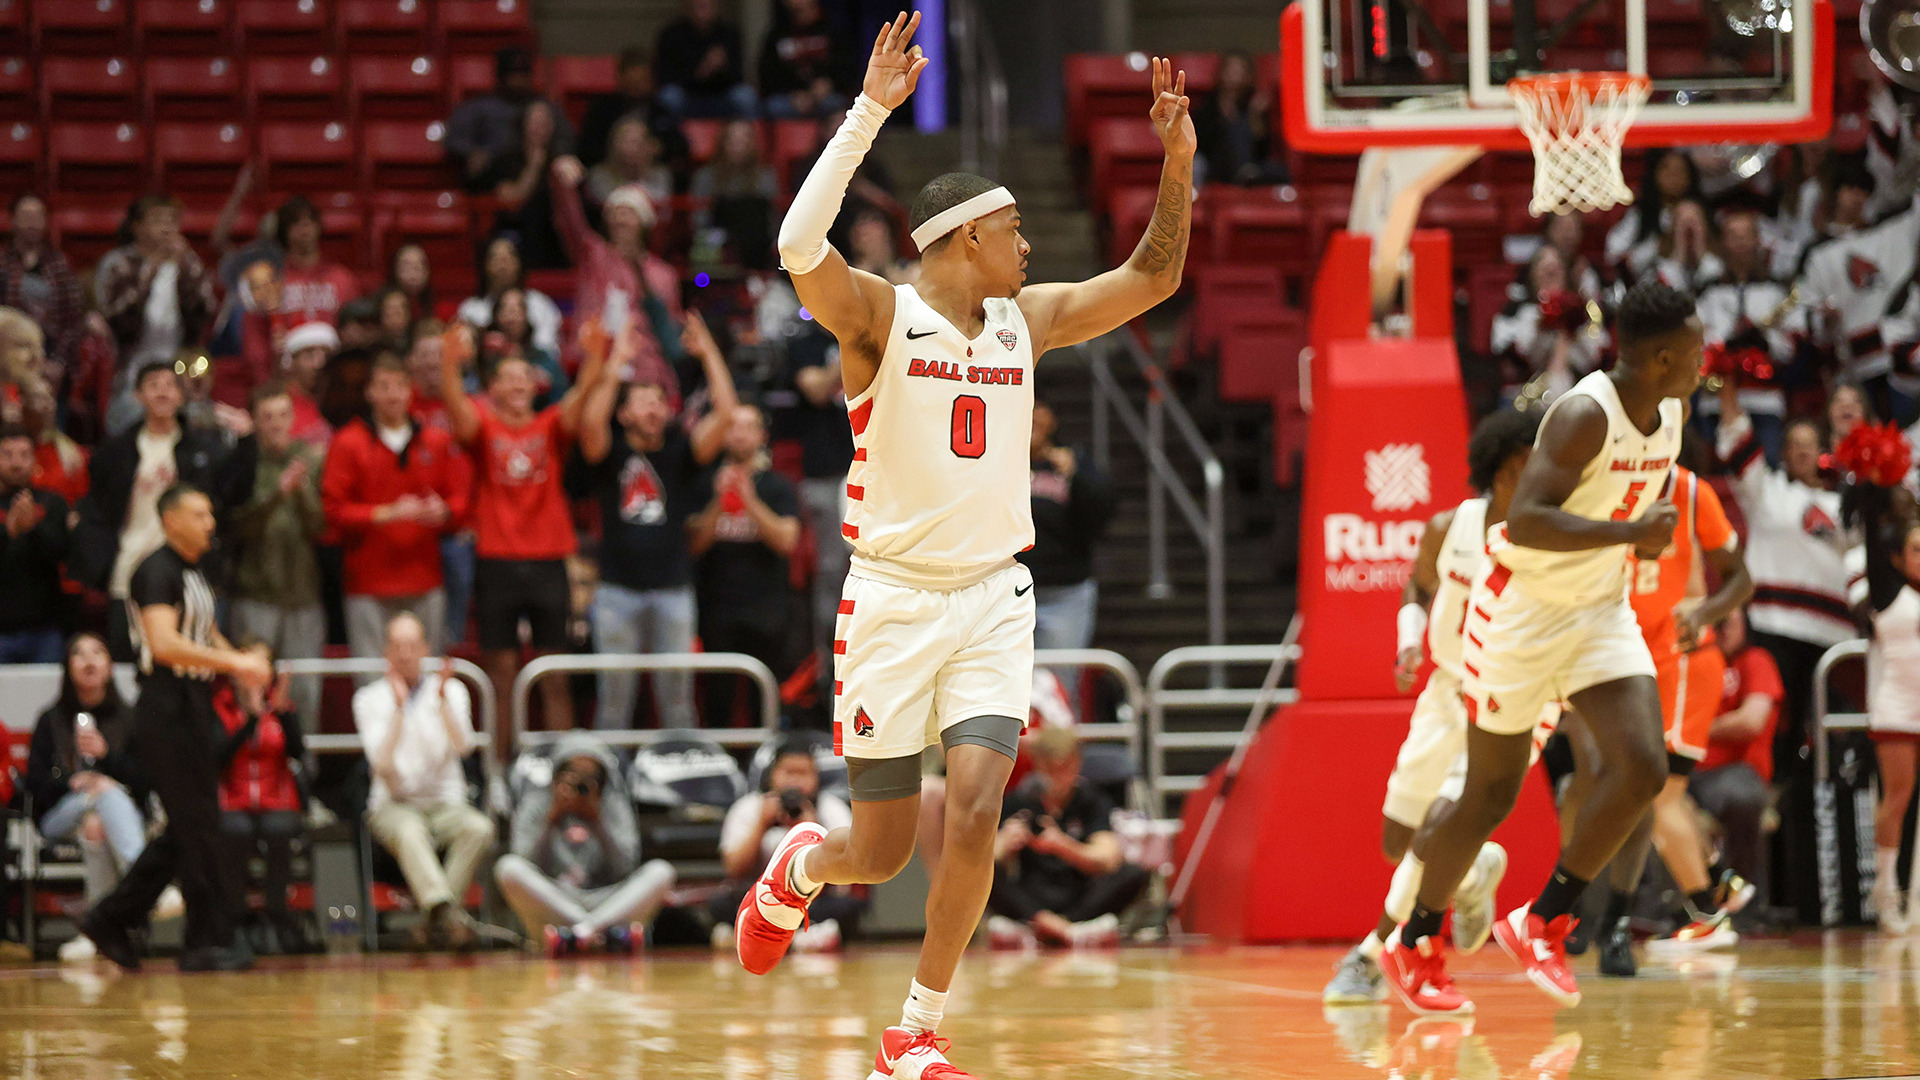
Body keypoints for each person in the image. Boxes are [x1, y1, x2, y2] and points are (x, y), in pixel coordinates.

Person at [736, 22, 1193, 1077]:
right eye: (1016, 230)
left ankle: (917, 1029)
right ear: (962, 239)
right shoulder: (880, 320)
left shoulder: (1023, 323)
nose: (1031, 248)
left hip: (993, 598)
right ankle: (804, 865)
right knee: (881, 850)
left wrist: (1177, 167)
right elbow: (800, 247)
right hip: (891, 602)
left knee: (980, 807)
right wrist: (868, 114)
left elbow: (1154, 277)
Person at [1380, 280, 1699, 1013]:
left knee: (1643, 766)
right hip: (1519, 614)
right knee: (1489, 794)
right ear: (1656, 357)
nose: (1702, 360)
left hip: (1598, 609)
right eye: (1693, 351)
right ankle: (1417, 938)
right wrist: (1628, 535)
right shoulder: (1585, 414)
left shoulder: (1671, 412)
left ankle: (1545, 919)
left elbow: (1639, 505)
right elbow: (1524, 522)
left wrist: (1639, 545)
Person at [1323, 409, 1546, 1006]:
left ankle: (1370, 955)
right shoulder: (1451, 526)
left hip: (1508, 698)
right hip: (1446, 688)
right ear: (1505, 469)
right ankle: (1472, 877)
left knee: (1445, 821)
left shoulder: (1549, 539)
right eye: (1534, 462)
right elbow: (1419, 586)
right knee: (1400, 839)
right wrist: (1407, 642)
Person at [80, 484, 275, 972]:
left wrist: (240, 667)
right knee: (196, 823)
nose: (211, 522)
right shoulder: (154, 570)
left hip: (193, 701)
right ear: (171, 520)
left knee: (191, 824)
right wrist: (235, 660)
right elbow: (165, 644)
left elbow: (202, 631)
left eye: (211, 513)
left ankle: (111, 918)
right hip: (165, 703)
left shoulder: (193, 571)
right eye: (200, 513)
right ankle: (205, 941)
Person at [1714, 381, 1854, 918]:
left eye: (1807, 442)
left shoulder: (1847, 502)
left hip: (1832, 643)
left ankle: (1808, 874)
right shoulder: (1767, 490)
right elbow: (1736, 438)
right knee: (1771, 743)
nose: (1799, 450)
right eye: (1791, 443)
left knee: (1815, 753)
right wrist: (1728, 387)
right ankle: (1757, 875)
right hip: (1773, 624)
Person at [441, 322, 611, 743]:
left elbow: (578, 399)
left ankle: (560, 766)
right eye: (507, 377)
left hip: (548, 561)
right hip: (496, 561)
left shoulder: (551, 426)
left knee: (554, 675)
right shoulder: (483, 427)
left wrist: (594, 357)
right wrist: (448, 363)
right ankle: (500, 773)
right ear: (492, 388)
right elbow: (457, 413)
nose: (518, 384)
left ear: (536, 385)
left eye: (524, 376)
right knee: (500, 676)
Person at [1615, 464, 1754, 959]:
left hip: (1683, 658)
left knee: (1657, 798)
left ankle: (1706, 915)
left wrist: (1703, 612)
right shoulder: (1599, 480)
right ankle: (1721, 881)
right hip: (1645, 664)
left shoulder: (1689, 490)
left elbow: (1741, 580)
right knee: (1656, 791)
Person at [574, 315, 736, 729]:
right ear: (624, 412)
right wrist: (617, 362)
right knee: (614, 701)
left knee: (678, 702)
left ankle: (678, 785)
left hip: (673, 589)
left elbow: (727, 413)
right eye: (643, 400)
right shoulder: (609, 453)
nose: (653, 408)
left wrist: (708, 353)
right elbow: (590, 422)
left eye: (659, 401)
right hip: (616, 591)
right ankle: (609, 787)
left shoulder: (680, 451)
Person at [24, 632, 175, 963]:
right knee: (101, 793)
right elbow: (36, 785)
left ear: (109, 666)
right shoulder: (50, 721)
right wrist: (75, 782)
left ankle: (95, 932)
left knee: (96, 826)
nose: (89, 660)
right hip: (60, 817)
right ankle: (147, 885)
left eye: (98, 652)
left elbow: (147, 782)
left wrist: (107, 758)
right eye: (79, 654)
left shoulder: (130, 719)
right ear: (68, 667)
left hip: (118, 818)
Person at [73, 362, 237, 662]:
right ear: (137, 395)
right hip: (128, 569)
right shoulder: (116, 451)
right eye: (153, 384)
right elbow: (97, 511)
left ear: (182, 395)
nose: (162, 391)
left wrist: (248, 441)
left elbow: (230, 502)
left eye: (170, 384)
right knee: (127, 663)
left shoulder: (205, 450)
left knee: (193, 663)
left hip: (189, 572)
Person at [352, 612, 494, 949]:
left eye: (412, 645)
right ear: (386, 651)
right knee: (410, 831)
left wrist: (443, 703)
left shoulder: (452, 691)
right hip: (394, 805)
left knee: (480, 828)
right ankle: (448, 916)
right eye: (397, 646)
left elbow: (463, 748)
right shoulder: (369, 698)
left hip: (446, 803)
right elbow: (380, 764)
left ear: (425, 649)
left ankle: (431, 918)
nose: (405, 654)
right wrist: (399, 711)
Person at [323, 355, 468, 658]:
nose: (392, 394)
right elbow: (333, 510)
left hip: (425, 578)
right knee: (372, 682)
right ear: (369, 393)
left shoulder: (436, 441)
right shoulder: (348, 442)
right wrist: (386, 513)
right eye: (384, 386)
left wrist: (444, 511)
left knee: (427, 679)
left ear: (410, 391)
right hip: (367, 582)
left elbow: (461, 501)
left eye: (400, 386)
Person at [494, 732, 677, 955]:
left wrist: (598, 822)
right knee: (508, 868)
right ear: (556, 773)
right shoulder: (537, 801)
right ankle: (599, 934)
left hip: (608, 900)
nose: (581, 784)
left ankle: (579, 933)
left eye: (591, 777)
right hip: (556, 898)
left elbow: (625, 867)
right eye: (572, 774)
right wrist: (551, 819)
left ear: (604, 777)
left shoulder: (613, 804)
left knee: (661, 871)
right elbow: (526, 861)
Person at [984, 726, 1148, 949]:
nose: (1058, 777)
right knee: (982, 875)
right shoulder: (1018, 801)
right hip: (1032, 898)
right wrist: (1005, 842)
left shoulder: (1092, 801)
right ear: (1037, 764)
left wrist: (1063, 846)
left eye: (1065, 768)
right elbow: (986, 858)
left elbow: (1108, 859)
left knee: (1134, 873)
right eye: (1050, 769)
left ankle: (1050, 929)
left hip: (1079, 898)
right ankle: (1063, 930)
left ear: (1077, 763)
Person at [690, 403, 799, 724]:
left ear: (762, 436)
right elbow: (694, 544)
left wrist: (748, 498)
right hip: (716, 608)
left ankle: (765, 766)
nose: (739, 433)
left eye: (748, 426)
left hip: (767, 611)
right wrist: (718, 501)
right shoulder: (702, 481)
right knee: (717, 700)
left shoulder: (777, 486)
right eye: (733, 426)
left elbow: (787, 540)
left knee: (763, 702)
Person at [227, 382, 328, 725]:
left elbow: (320, 526)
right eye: (267, 416)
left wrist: (300, 491)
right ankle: (248, 768)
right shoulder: (243, 462)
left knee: (304, 691)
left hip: (303, 593)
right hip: (254, 592)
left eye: (283, 415)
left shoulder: (312, 461)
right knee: (250, 688)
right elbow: (238, 528)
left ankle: (303, 772)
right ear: (255, 421)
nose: (276, 424)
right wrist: (277, 496)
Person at [549, 157, 685, 392]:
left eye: (628, 213)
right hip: (596, 366)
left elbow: (669, 328)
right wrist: (564, 187)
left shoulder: (663, 274)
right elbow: (569, 222)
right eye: (615, 212)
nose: (621, 219)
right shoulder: (593, 256)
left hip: (645, 371)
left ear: (643, 222)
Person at [711, 738, 858, 953]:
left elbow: (843, 880)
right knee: (720, 903)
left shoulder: (831, 809)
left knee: (848, 907)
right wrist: (761, 825)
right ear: (772, 774)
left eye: (803, 774)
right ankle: (801, 936)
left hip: (811, 903)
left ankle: (754, 935)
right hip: (761, 899)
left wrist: (811, 826)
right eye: (789, 772)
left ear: (816, 778)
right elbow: (734, 871)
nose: (795, 782)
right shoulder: (748, 808)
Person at [213, 639, 311, 955]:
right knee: (235, 832)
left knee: (280, 830)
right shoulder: (221, 706)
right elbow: (217, 759)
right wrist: (251, 721)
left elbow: (298, 753)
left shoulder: (281, 706)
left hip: (276, 798)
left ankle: (277, 914)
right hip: (233, 798)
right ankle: (235, 918)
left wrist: (282, 715)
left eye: (262, 665)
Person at [94, 196, 217, 435]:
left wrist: (187, 270)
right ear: (136, 226)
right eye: (157, 220)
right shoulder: (119, 263)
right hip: (130, 364)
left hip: (179, 364)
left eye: (172, 221)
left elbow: (206, 311)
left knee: (202, 423)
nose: (166, 228)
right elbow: (117, 319)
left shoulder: (187, 262)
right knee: (127, 421)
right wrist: (150, 272)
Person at [1692, 606, 1780, 929]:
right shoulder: (1694, 663)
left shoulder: (1756, 661)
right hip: (1686, 771)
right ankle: (1659, 911)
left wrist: (1693, 727)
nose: (1722, 626)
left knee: (1741, 795)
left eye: (1729, 618)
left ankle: (1743, 905)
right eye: (1715, 621)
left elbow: (1751, 721)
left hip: (1736, 771)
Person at [1693, 209, 1796, 463]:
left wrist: (1764, 341)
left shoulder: (1774, 291)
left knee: (1768, 471)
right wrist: (1727, 342)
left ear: (1758, 241)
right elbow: (1698, 346)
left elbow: (1789, 349)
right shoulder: (1708, 294)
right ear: (1722, 244)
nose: (1740, 243)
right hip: (1717, 402)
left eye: (1746, 236)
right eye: (1733, 236)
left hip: (1765, 401)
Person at [1861, 511, 1920, 931]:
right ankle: (1884, 890)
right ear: (1897, 557)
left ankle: (1915, 897)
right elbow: (1871, 540)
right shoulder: (1887, 592)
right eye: (1916, 549)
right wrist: (1874, 494)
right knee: (1897, 798)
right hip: (1899, 708)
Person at [1020, 400, 1115, 655]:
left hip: (1065, 592)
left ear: (1051, 419)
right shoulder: (995, 461)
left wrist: (1075, 475)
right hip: (1008, 590)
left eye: (1038, 410)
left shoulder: (1075, 460)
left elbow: (1102, 514)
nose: (1032, 419)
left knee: (1058, 684)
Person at [1491, 246, 1607, 406]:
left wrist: (1571, 329)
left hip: (1579, 391)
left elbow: (1594, 357)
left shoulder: (1584, 310)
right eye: (1545, 270)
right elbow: (1522, 357)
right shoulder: (1522, 313)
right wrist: (1541, 322)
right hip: (1527, 395)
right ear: (1533, 276)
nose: (1551, 273)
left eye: (1556, 269)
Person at [447, 47, 574, 192]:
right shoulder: (479, 107)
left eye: (522, 74)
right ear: (502, 76)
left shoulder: (544, 107)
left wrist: (559, 155)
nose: (518, 80)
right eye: (514, 74)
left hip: (539, 176)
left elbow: (566, 139)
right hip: (494, 173)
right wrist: (471, 152)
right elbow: (454, 139)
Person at [0, 422, 71, 662]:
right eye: (7, 455)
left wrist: (33, 529)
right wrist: (8, 533)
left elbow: (61, 553)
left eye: (23, 455)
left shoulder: (53, 503)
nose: (16, 462)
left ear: (34, 459)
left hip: (45, 631)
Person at [0, 194, 84, 380]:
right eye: (26, 216)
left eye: (38, 217)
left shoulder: (59, 263)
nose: (32, 222)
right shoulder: (2, 263)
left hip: (50, 350)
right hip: (8, 353)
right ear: (12, 220)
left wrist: (58, 362)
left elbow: (72, 321)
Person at [481, 100, 571, 272]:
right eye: (535, 122)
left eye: (545, 122)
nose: (540, 127)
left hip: (554, 236)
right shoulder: (505, 159)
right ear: (523, 124)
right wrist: (534, 166)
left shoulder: (561, 158)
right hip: (517, 232)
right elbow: (511, 201)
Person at [692, 119, 780, 269]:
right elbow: (699, 219)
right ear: (722, 143)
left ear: (753, 144)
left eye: (743, 141)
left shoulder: (766, 176)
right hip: (715, 237)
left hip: (757, 243)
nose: (738, 147)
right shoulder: (705, 176)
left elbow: (772, 219)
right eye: (733, 141)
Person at [458, 237, 566, 360]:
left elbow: (549, 349)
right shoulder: (470, 309)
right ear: (485, 265)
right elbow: (465, 356)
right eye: (496, 258)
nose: (503, 264)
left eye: (509, 257)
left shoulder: (540, 304)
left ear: (519, 262)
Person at [653, 0, 757, 120]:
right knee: (668, 97)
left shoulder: (729, 33)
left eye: (707, 6)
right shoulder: (671, 35)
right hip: (687, 94)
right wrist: (702, 71)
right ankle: (672, 136)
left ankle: (743, 137)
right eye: (699, 6)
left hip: (721, 93)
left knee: (746, 97)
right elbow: (665, 76)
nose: (703, 11)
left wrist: (721, 68)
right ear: (687, 9)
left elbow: (738, 75)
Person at [1191, 51, 1282, 187]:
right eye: (1231, 70)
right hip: (1217, 165)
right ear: (1221, 73)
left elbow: (1263, 151)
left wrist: (1255, 116)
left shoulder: (1252, 105)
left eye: (1240, 71)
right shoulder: (1209, 105)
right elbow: (1200, 143)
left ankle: (1245, 174)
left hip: (1252, 167)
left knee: (1281, 171)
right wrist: (1224, 120)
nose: (1235, 76)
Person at [579, 47, 679, 169]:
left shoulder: (660, 110)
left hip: (650, 174)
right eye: (631, 83)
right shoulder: (602, 109)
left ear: (652, 80)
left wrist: (658, 147)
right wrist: (619, 151)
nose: (636, 88)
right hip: (608, 172)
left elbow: (679, 147)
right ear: (621, 79)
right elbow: (586, 149)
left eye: (641, 81)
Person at [759, 0, 856, 120]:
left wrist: (830, 84)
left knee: (836, 105)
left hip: (828, 96)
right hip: (790, 98)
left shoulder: (834, 32)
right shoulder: (776, 35)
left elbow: (849, 70)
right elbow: (767, 75)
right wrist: (793, 93)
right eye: (796, 10)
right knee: (774, 106)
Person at [275, 197, 361, 327]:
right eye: (296, 221)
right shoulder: (273, 281)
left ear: (318, 226)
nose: (304, 226)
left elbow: (355, 329)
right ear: (285, 230)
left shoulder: (342, 278)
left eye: (310, 220)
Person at [485, 287, 569, 410]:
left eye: (518, 309)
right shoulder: (483, 355)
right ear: (496, 316)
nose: (511, 316)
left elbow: (560, 396)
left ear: (526, 316)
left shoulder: (542, 356)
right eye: (505, 309)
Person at [587, 113, 675, 212]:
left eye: (635, 142)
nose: (629, 149)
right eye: (624, 142)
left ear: (650, 145)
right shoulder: (599, 175)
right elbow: (612, 207)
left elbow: (659, 205)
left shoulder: (660, 175)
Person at [388, 243, 435, 323]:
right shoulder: (384, 302)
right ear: (396, 270)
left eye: (417, 267)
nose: (412, 273)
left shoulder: (432, 302)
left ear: (427, 271)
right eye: (406, 267)